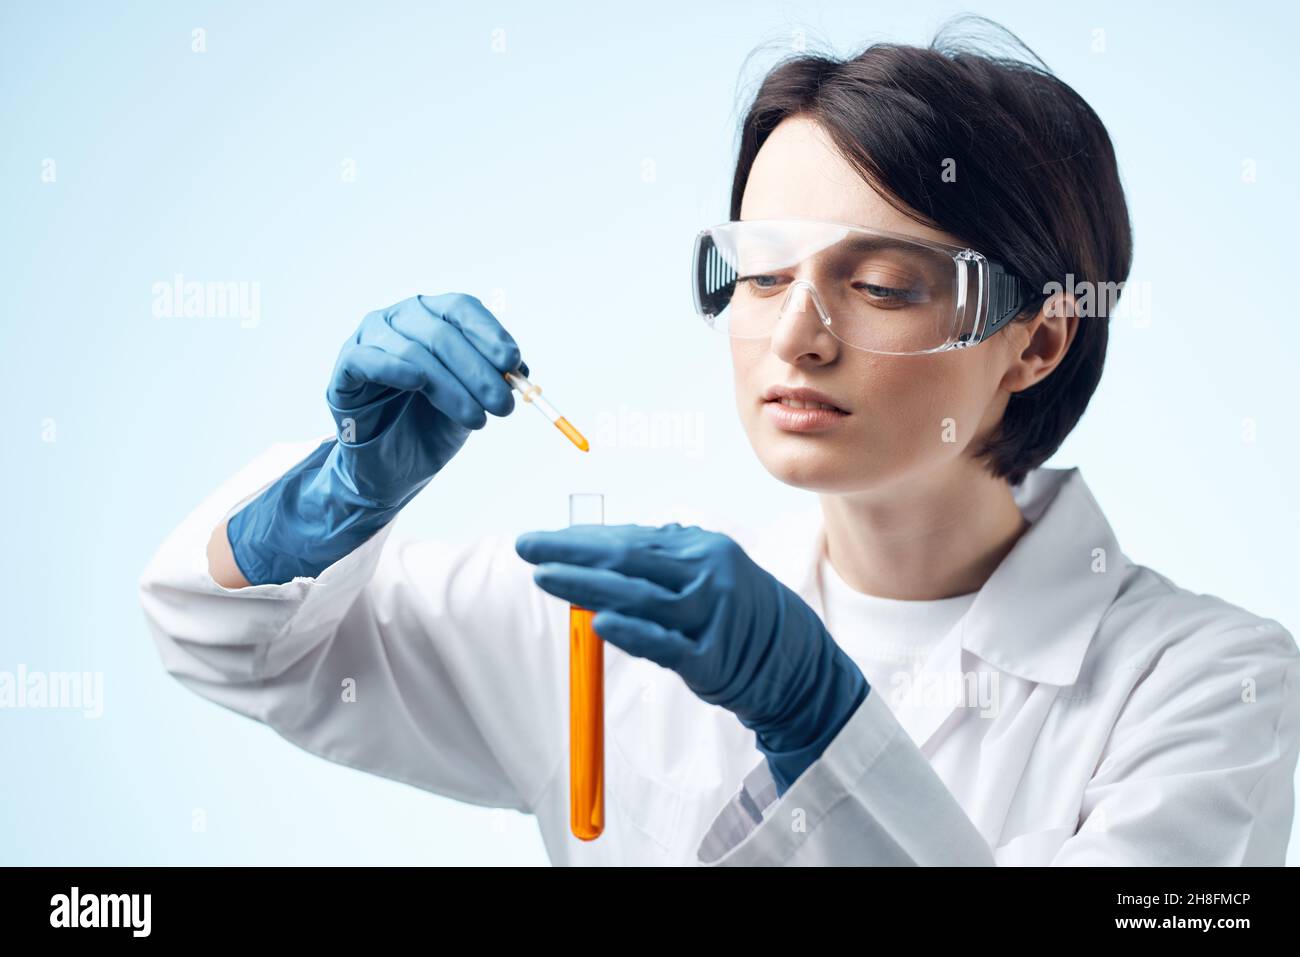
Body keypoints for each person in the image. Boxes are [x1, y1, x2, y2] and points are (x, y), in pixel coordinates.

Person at [139, 22, 1300, 866]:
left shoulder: (1208, 688)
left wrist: (818, 723)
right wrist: (334, 494)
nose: (796, 335)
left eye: (882, 283)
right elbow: (230, 645)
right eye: (759, 273)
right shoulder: (613, 620)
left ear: (1037, 343)